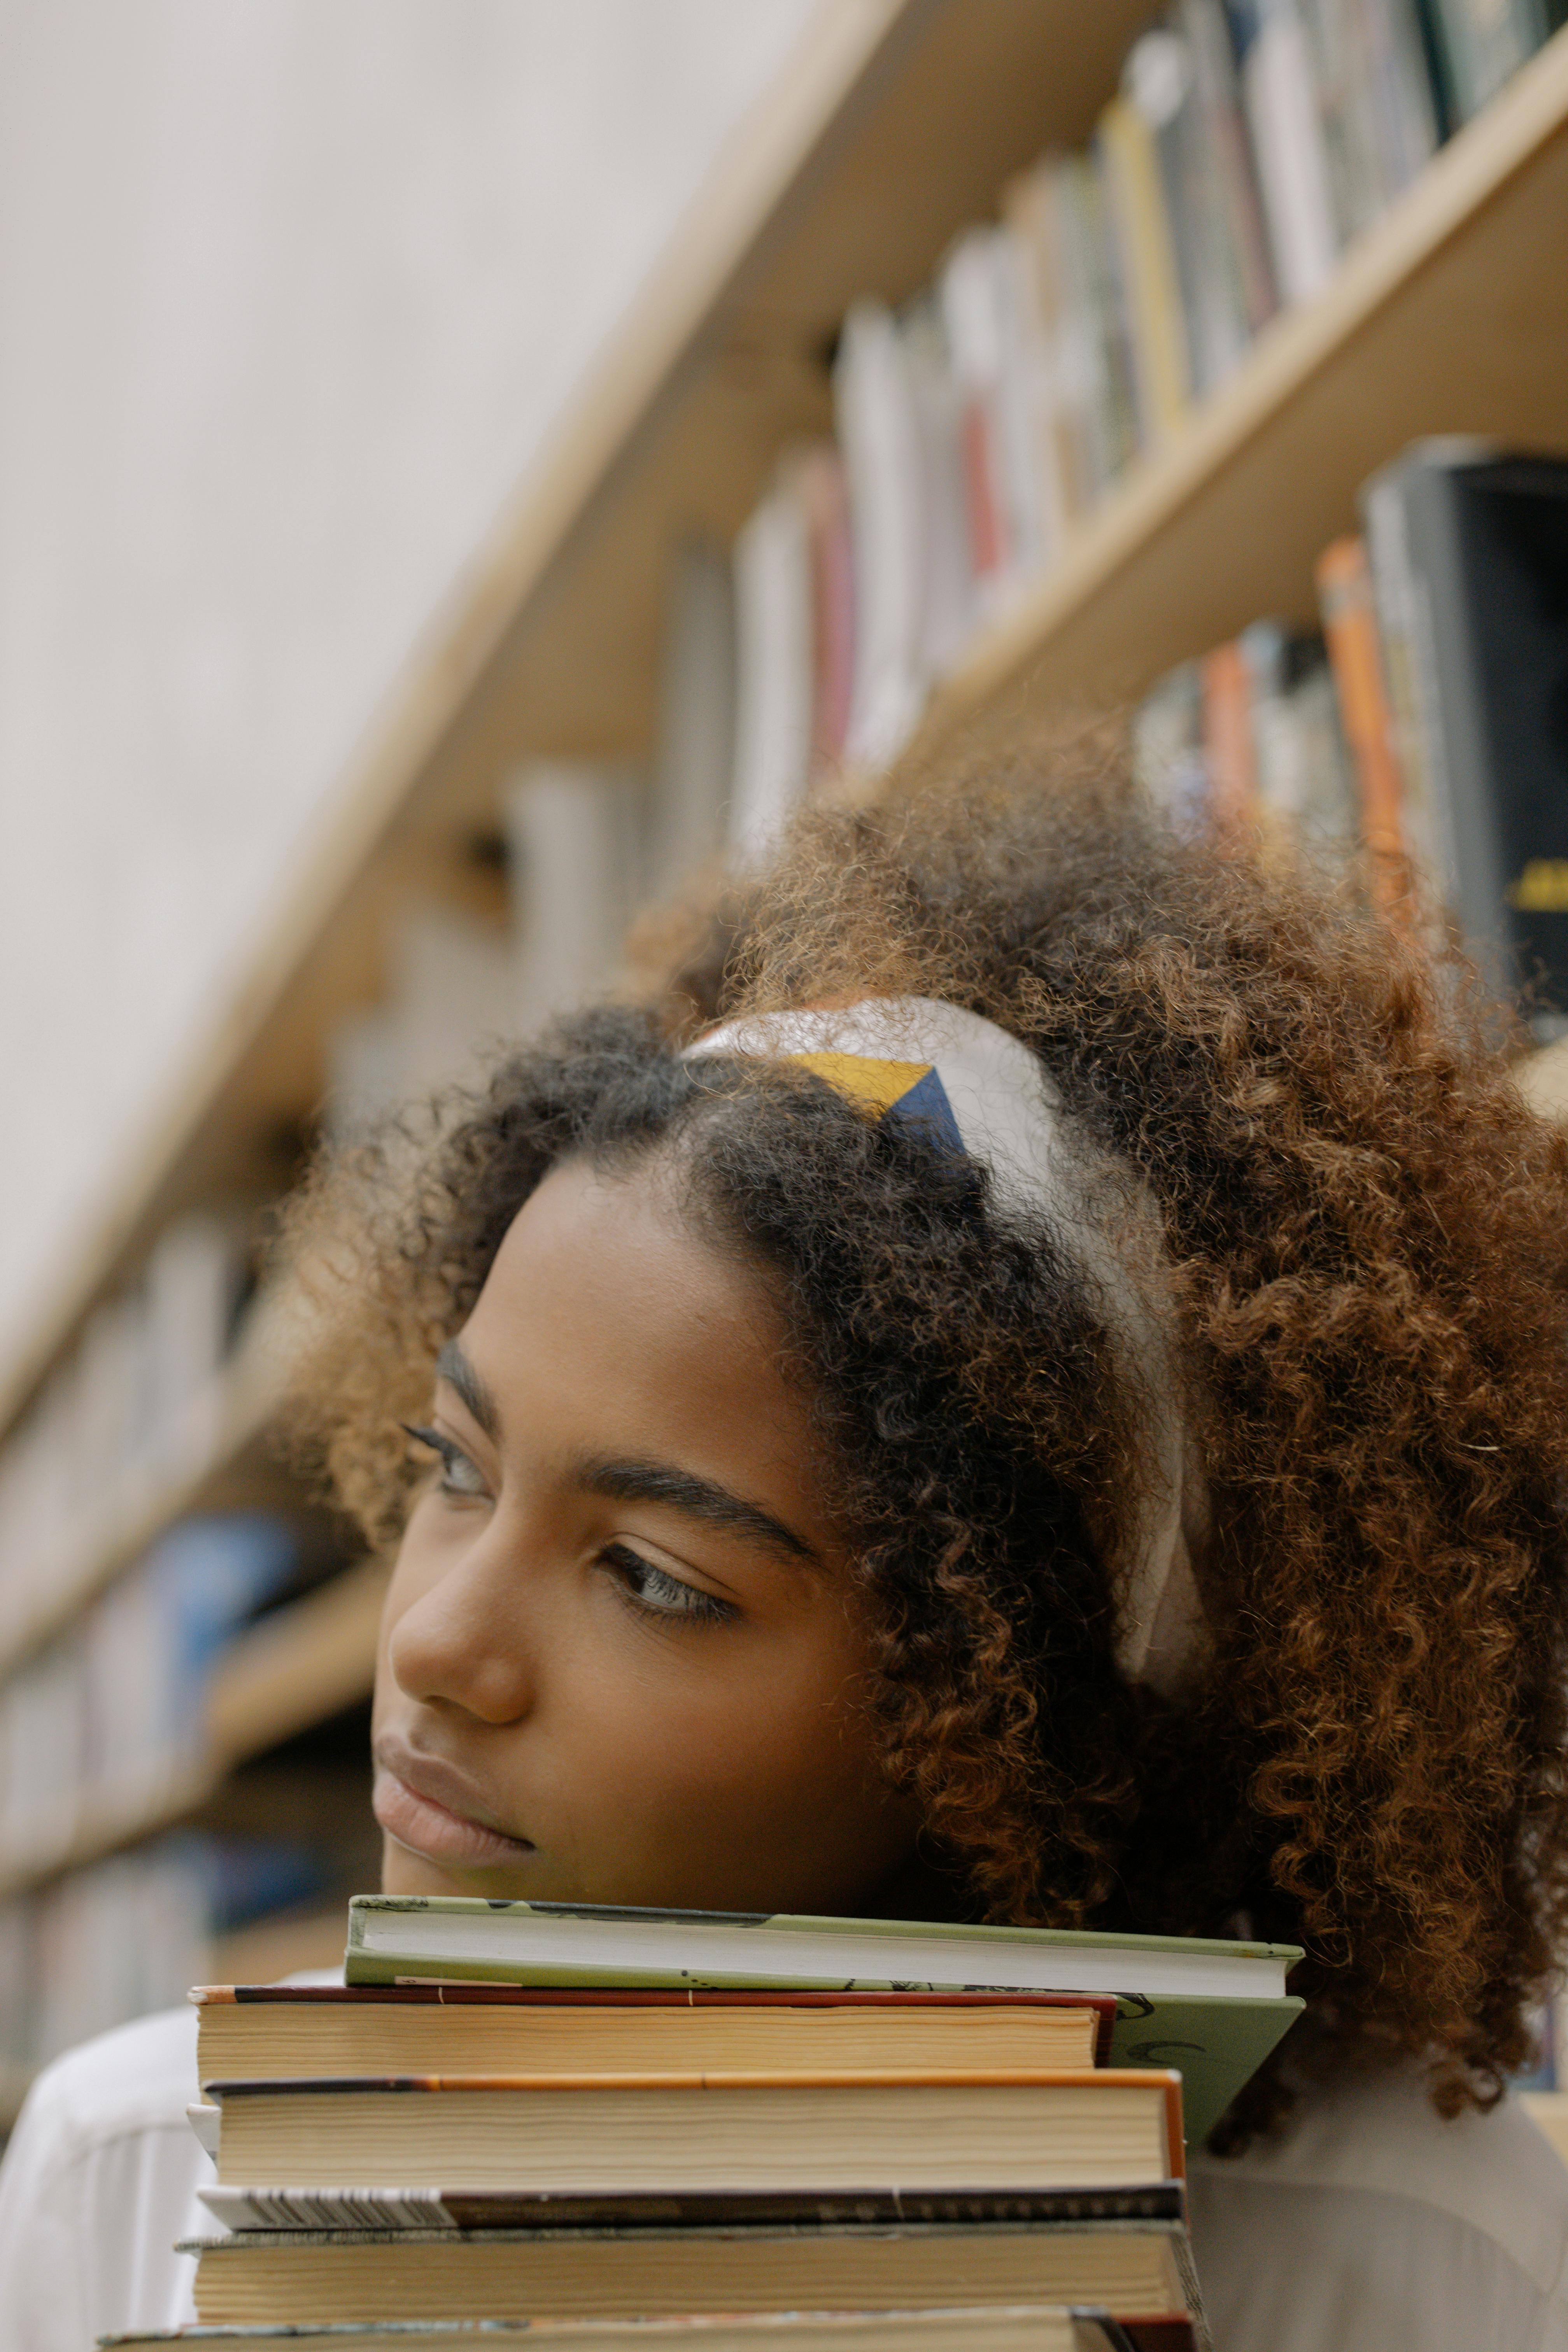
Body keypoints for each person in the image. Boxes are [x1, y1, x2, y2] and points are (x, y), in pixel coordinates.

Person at [5, 758, 1568, 2350]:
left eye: (654, 1577)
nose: (434, 1644)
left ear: (1014, 1728)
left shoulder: (1429, 2261)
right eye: (453, 1470)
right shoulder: (128, 2182)